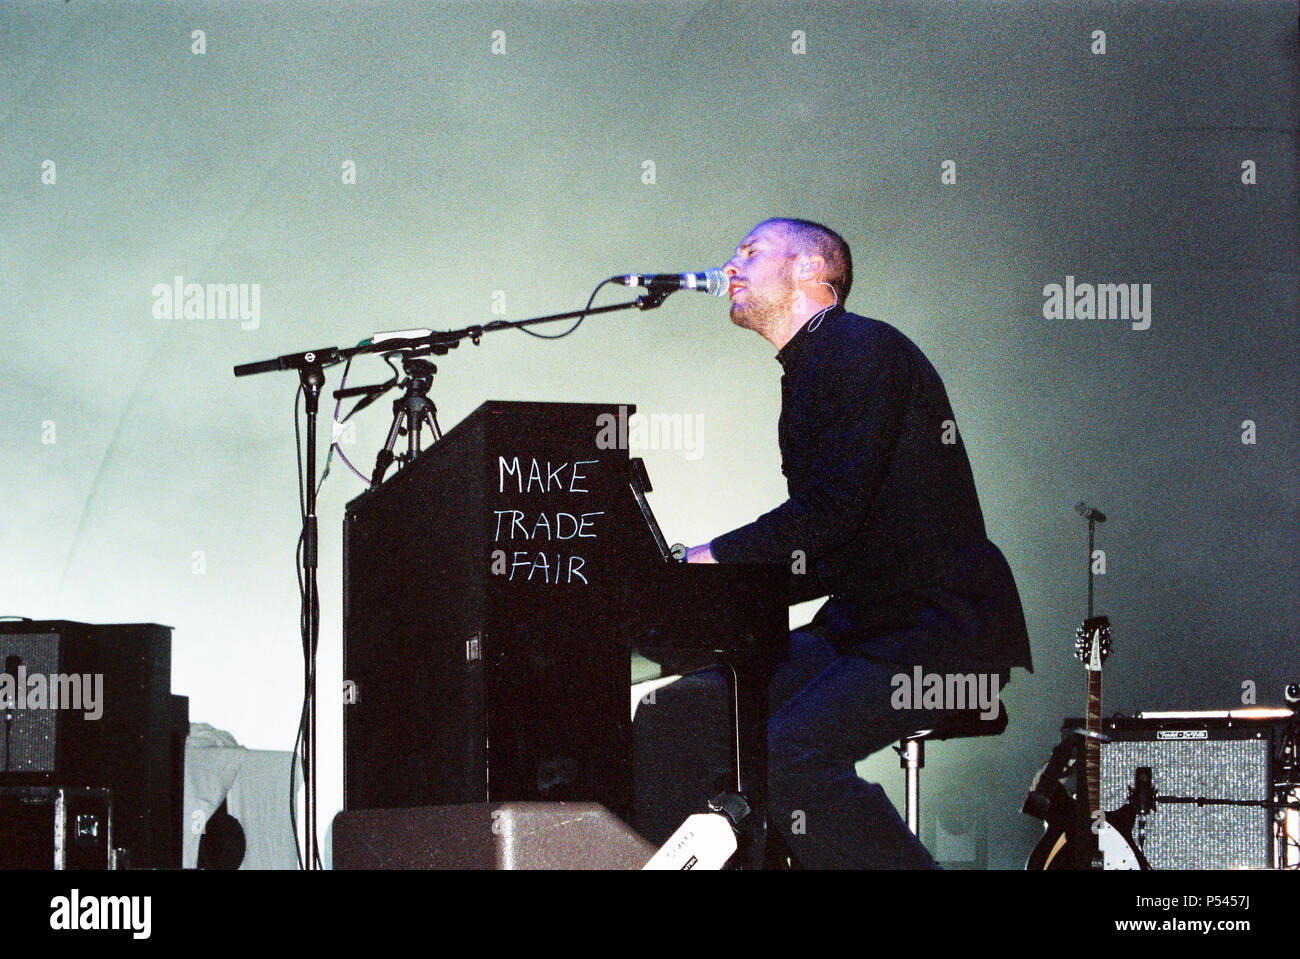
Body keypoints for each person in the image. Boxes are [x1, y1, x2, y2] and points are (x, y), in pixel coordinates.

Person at [682, 217, 1033, 868]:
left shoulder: (858, 347)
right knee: (698, 710)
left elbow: (831, 511)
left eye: (752, 251)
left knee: (787, 754)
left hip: (939, 622)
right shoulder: (807, 371)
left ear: (816, 269)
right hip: (865, 622)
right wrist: (714, 591)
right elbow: (828, 547)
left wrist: (714, 558)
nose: (731, 265)